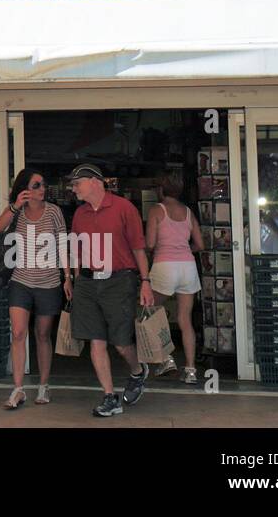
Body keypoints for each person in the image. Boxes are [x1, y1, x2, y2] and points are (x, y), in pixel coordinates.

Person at [66, 163, 154, 417]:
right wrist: (70, 278)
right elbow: (77, 250)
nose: (73, 189)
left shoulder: (124, 208)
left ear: (95, 182)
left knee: (121, 343)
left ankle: (137, 371)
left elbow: (139, 248)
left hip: (119, 280)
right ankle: (109, 396)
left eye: (76, 183)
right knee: (96, 340)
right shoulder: (80, 214)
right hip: (87, 282)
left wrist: (145, 282)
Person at [0, 168, 70, 409]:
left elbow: (62, 244)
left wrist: (67, 276)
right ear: (25, 189)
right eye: (37, 185)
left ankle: (44, 385)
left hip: (48, 283)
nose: (43, 189)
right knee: (17, 333)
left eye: (43, 185)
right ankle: (18, 389)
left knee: (42, 335)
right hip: (20, 281)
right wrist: (15, 206)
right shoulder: (17, 212)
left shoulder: (54, 212)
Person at [146, 173, 204, 384]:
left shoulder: (156, 210)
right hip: (188, 267)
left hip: (164, 265)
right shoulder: (188, 213)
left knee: (149, 311)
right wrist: (183, 249)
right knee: (184, 320)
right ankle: (190, 371)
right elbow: (200, 245)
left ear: (162, 190)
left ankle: (166, 358)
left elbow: (150, 243)